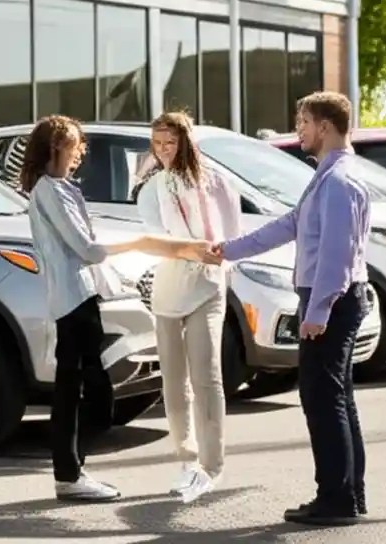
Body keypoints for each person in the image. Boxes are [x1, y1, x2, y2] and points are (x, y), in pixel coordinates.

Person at [20, 115, 208, 503]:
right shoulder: (49, 192)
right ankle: (68, 473)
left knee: (82, 391)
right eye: (74, 146)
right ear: (56, 147)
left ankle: (71, 471)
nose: (79, 154)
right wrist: (137, 242)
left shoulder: (58, 189)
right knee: (86, 394)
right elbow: (86, 249)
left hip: (81, 298)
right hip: (72, 300)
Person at [205, 92, 371, 526]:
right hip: (330, 298)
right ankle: (348, 494)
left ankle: (336, 500)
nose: (299, 129)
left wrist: (317, 312)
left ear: (326, 127)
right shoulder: (327, 177)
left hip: (329, 301)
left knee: (322, 399)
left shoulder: (338, 181)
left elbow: (337, 255)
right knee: (337, 398)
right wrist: (229, 250)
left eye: (304, 121)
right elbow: (288, 226)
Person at [133, 111, 242, 503]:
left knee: (206, 374)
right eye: (157, 144)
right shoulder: (152, 188)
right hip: (170, 285)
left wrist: (219, 265)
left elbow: (232, 237)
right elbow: (157, 238)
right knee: (173, 381)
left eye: (171, 143)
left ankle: (211, 465)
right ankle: (186, 458)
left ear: (187, 142)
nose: (163, 151)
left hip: (208, 283)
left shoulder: (216, 182)